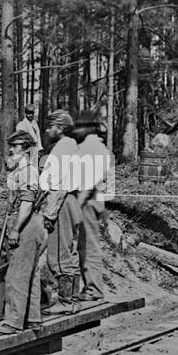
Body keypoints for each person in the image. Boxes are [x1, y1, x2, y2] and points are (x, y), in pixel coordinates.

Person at [0, 129, 47, 334]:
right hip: (31, 222)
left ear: (26, 149)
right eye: (11, 145)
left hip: (27, 223)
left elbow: (26, 203)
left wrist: (16, 229)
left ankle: (14, 321)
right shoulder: (20, 169)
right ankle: (33, 318)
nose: (11, 149)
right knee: (31, 273)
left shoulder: (27, 171)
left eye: (16, 146)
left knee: (16, 274)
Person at [38, 109, 82, 314]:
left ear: (61, 128)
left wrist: (50, 213)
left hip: (62, 202)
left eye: (51, 127)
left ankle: (67, 302)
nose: (47, 130)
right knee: (69, 252)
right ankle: (72, 300)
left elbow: (58, 184)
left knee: (58, 254)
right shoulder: (70, 146)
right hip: (71, 201)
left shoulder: (63, 148)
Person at [72, 109, 112, 301]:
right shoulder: (91, 146)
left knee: (89, 247)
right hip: (89, 201)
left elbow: (89, 182)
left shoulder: (93, 147)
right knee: (84, 247)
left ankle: (94, 288)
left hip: (88, 202)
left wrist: (78, 205)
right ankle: (89, 286)